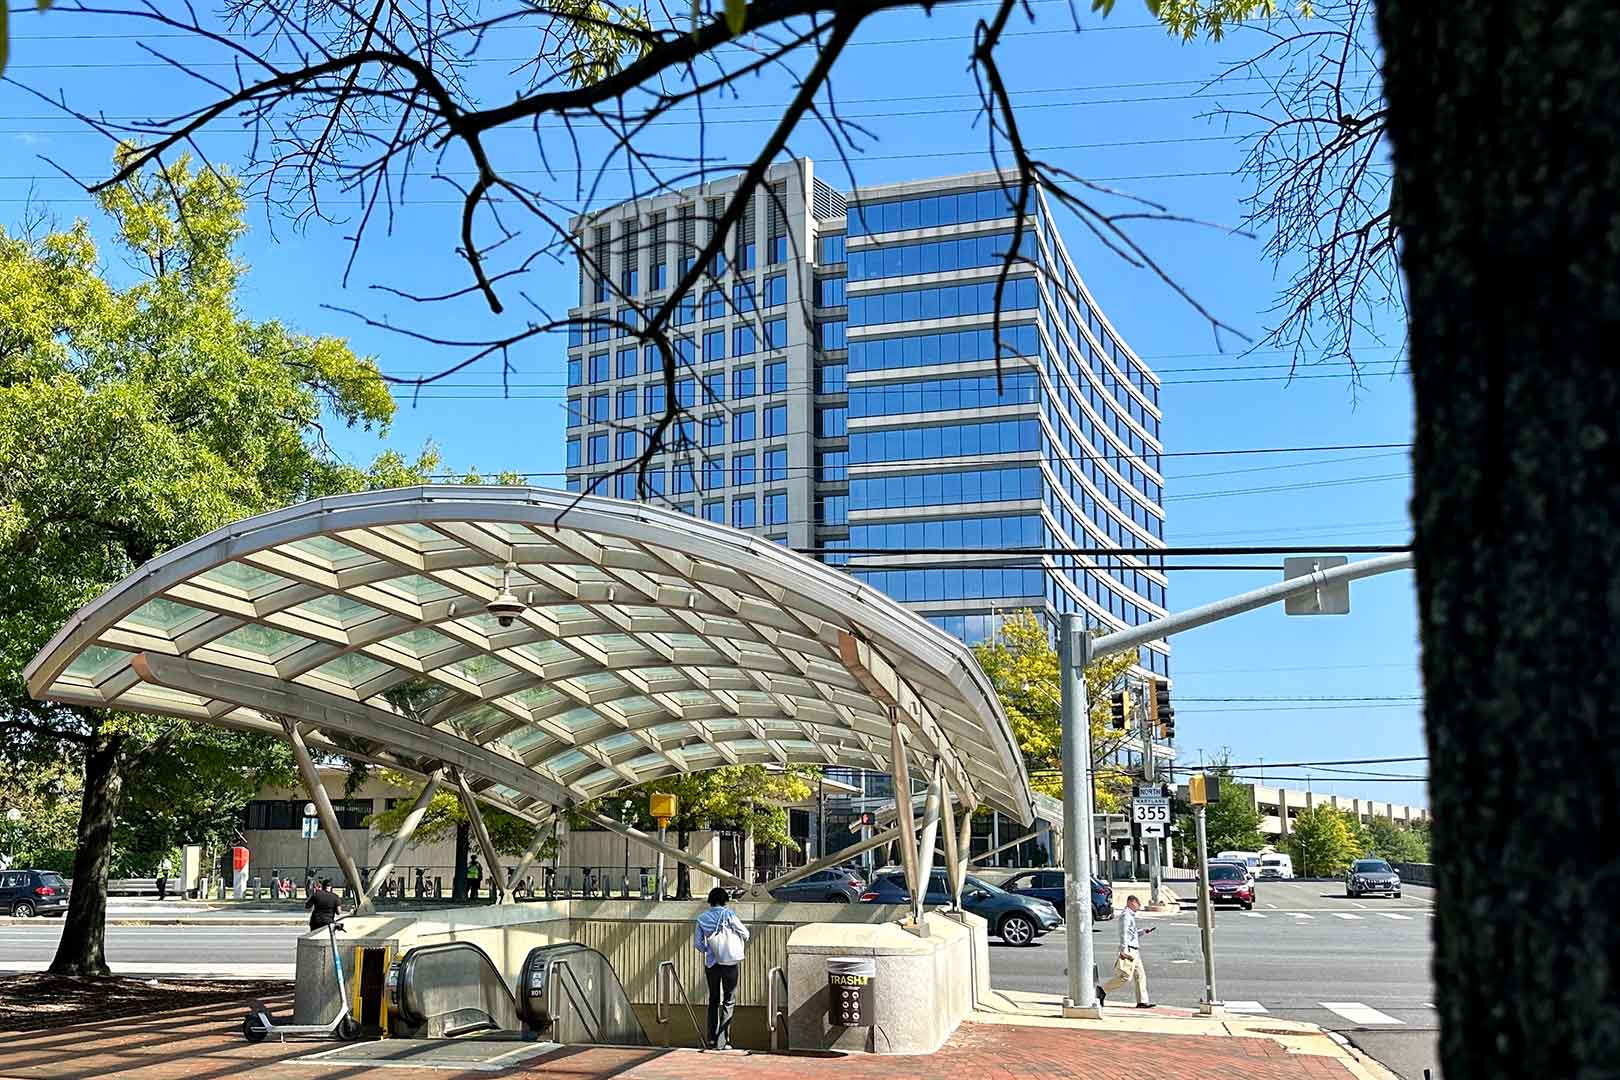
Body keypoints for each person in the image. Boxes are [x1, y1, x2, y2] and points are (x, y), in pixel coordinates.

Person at [693, 886, 749, 1049]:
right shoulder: (729, 915)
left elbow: (698, 944)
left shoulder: (702, 918)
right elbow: (745, 933)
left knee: (713, 1000)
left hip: (712, 964)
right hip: (729, 963)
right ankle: (722, 1042)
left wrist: (711, 949)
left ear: (710, 900)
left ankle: (711, 1039)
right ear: (725, 900)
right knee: (728, 1000)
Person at [1098, 894, 1154, 1008]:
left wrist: (1143, 931)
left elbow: (1132, 934)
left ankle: (1142, 1001)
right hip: (1129, 950)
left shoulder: (1130, 916)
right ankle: (1102, 990)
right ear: (1131, 903)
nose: (1139, 906)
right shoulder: (1126, 916)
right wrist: (1124, 950)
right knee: (1125, 976)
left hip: (1134, 950)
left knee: (1140, 975)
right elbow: (1123, 933)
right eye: (1137, 904)